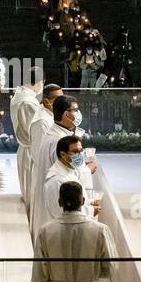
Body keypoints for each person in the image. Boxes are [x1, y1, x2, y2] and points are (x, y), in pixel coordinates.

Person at [31, 94, 83, 227]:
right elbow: (66, 170)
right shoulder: (57, 140)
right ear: (66, 114)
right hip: (57, 204)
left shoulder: (55, 133)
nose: (79, 113)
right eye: (75, 110)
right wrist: (87, 169)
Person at [40, 134, 100, 225]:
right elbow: (61, 213)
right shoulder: (57, 181)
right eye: (75, 152)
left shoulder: (70, 170)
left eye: (81, 151)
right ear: (63, 154)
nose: (80, 155)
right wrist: (90, 211)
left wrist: (89, 203)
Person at [9, 74, 45, 215]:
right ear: (39, 82)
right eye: (42, 83)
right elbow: (34, 131)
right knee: (32, 195)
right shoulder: (27, 102)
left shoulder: (20, 96)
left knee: (30, 192)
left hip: (26, 150)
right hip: (31, 151)